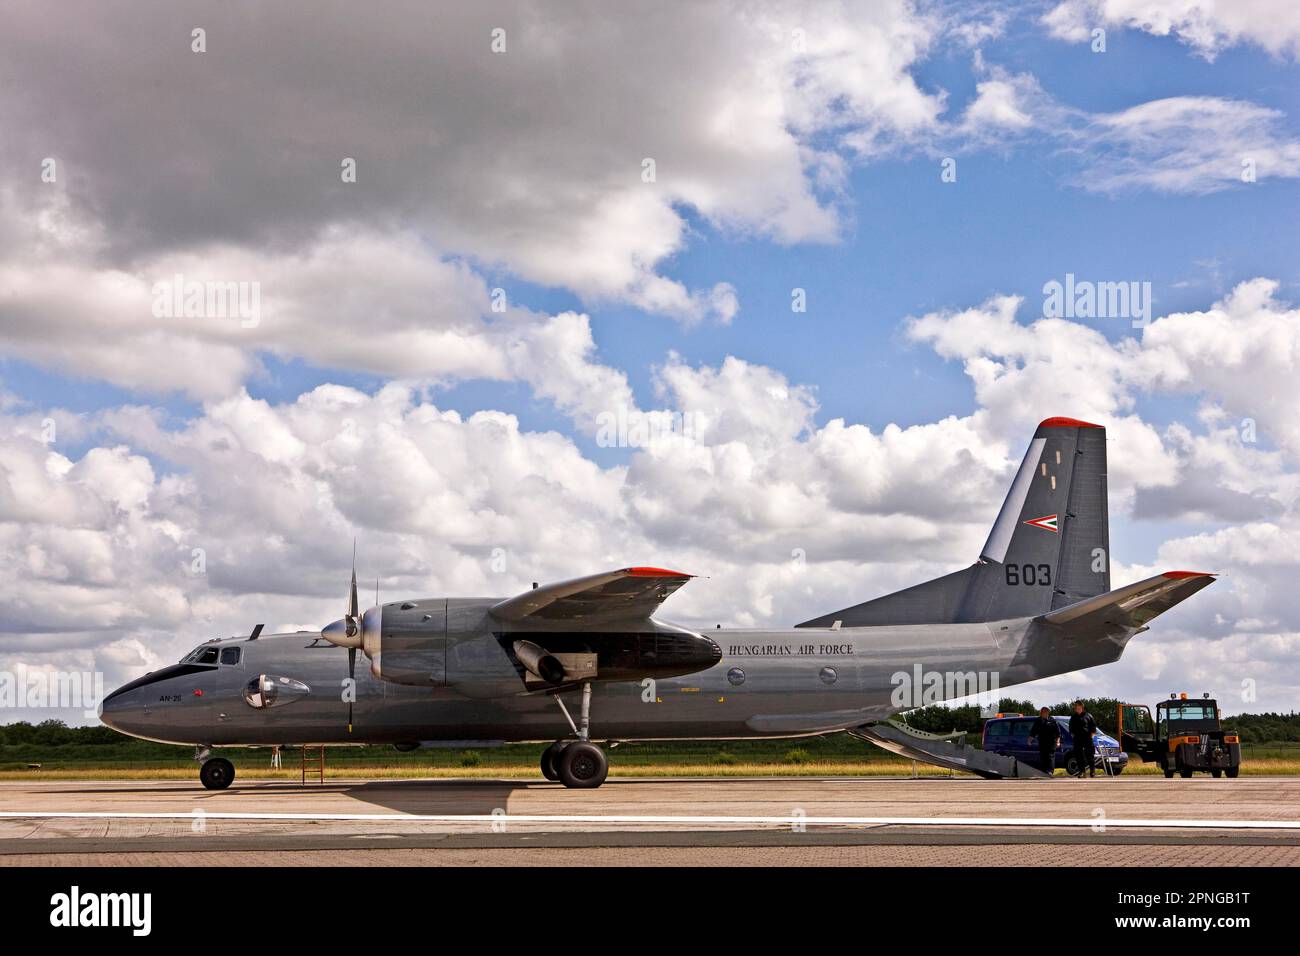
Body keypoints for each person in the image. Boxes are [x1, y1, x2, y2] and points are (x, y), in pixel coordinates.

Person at [1026, 706, 1061, 775]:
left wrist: (1058, 742)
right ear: (1041, 713)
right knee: (1043, 756)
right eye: (1044, 711)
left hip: (1052, 742)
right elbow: (1033, 732)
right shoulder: (1038, 721)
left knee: (1050, 756)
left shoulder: (1052, 720)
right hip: (1042, 742)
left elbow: (1058, 733)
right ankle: (1044, 771)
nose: (1045, 713)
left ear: (1048, 712)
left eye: (1046, 711)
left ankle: (1050, 771)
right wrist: (1029, 740)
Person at [1069, 700, 1099, 777]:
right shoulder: (1073, 717)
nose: (1077, 709)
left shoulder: (1088, 716)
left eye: (1079, 707)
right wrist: (1073, 735)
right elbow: (1071, 728)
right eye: (1076, 707)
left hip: (1087, 738)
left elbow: (1093, 727)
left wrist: (1091, 736)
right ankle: (1082, 772)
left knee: (1090, 755)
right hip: (1077, 738)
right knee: (1079, 756)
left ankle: (1092, 771)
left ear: (1082, 707)